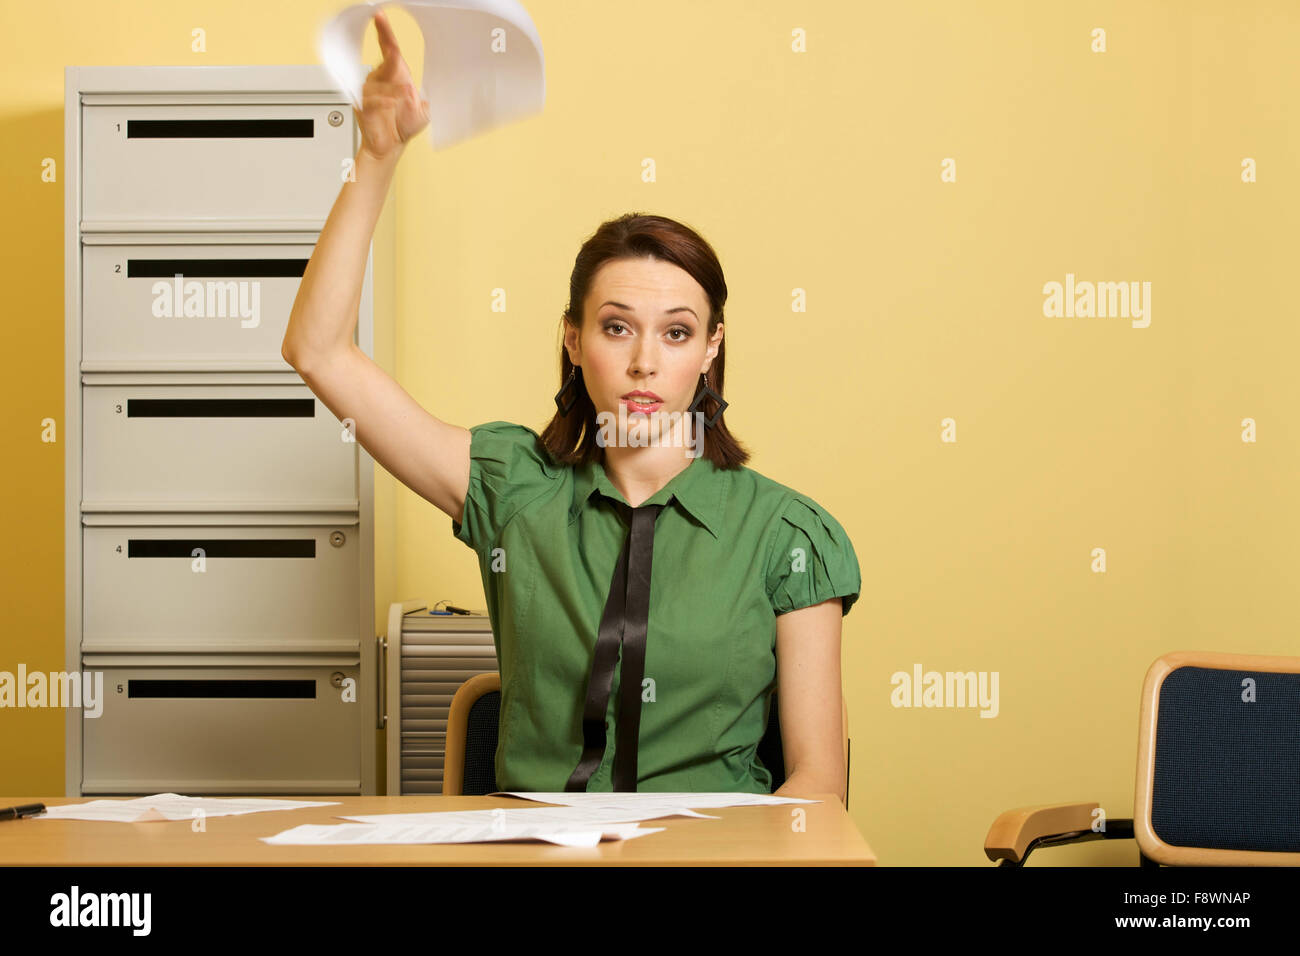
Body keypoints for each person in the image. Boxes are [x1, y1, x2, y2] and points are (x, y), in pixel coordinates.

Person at [283, 10, 861, 800]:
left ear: (711, 350)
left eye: (678, 332)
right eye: (617, 327)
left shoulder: (788, 537)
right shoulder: (511, 483)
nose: (645, 361)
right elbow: (318, 353)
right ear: (573, 339)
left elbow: (817, 786)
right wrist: (377, 155)